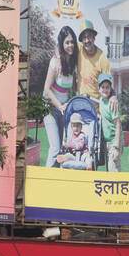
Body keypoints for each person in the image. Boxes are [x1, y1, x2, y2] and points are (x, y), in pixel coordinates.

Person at [42, 25, 79, 166]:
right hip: (50, 108)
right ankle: (46, 181)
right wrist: (59, 106)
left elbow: (74, 89)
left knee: (63, 148)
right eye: (67, 42)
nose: (70, 45)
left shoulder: (73, 63)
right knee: (55, 147)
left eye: (72, 42)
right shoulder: (55, 62)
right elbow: (46, 89)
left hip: (63, 109)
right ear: (62, 44)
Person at [75, 18, 111, 100]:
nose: (87, 40)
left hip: (95, 107)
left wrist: (113, 97)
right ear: (81, 40)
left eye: (89, 36)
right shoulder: (79, 48)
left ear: (94, 37)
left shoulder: (102, 58)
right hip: (80, 103)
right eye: (84, 38)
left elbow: (108, 83)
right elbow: (64, 44)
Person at [96, 73, 121, 171]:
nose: (105, 90)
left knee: (113, 171)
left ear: (110, 89)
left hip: (114, 142)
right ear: (99, 89)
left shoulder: (112, 104)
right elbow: (104, 116)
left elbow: (118, 125)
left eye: (107, 87)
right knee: (108, 169)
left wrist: (116, 147)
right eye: (103, 87)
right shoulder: (101, 101)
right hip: (106, 142)